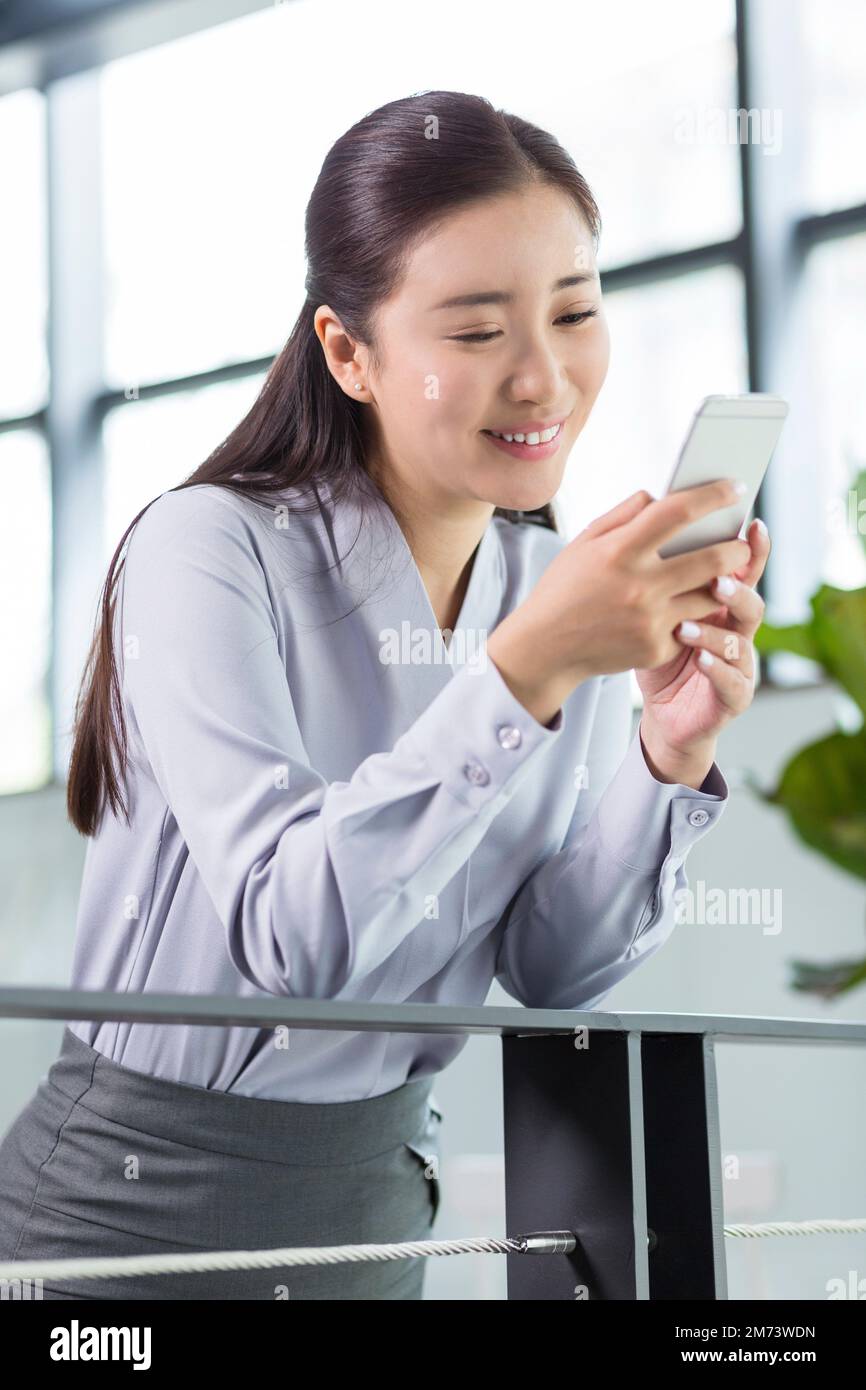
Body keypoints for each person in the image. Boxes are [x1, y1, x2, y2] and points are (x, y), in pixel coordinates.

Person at [0, 89, 768, 1301]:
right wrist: (526, 674)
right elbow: (291, 936)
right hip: (122, 1216)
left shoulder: (540, 584)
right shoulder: (208, 549)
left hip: (368, 1211)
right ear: (348, 354)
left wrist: (665, 756)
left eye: (572, 312)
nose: (543, 376)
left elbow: (551, 968)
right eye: (474, 333)